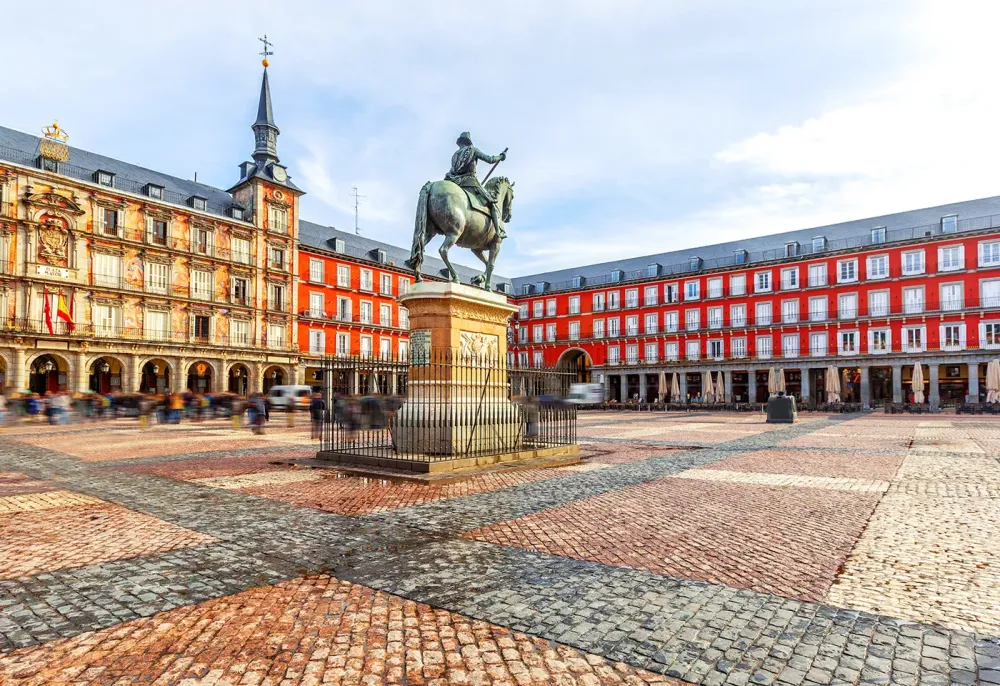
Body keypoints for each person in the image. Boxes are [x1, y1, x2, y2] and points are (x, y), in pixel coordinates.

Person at [446, 132, 508, 239]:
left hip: (455, 182)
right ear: (468, 141)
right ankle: (498, 232)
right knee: (492, 203)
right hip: (469, 182)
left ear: (460, 142)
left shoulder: (454, 155)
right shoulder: (473, 150)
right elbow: (490, 159)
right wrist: (501, 156)